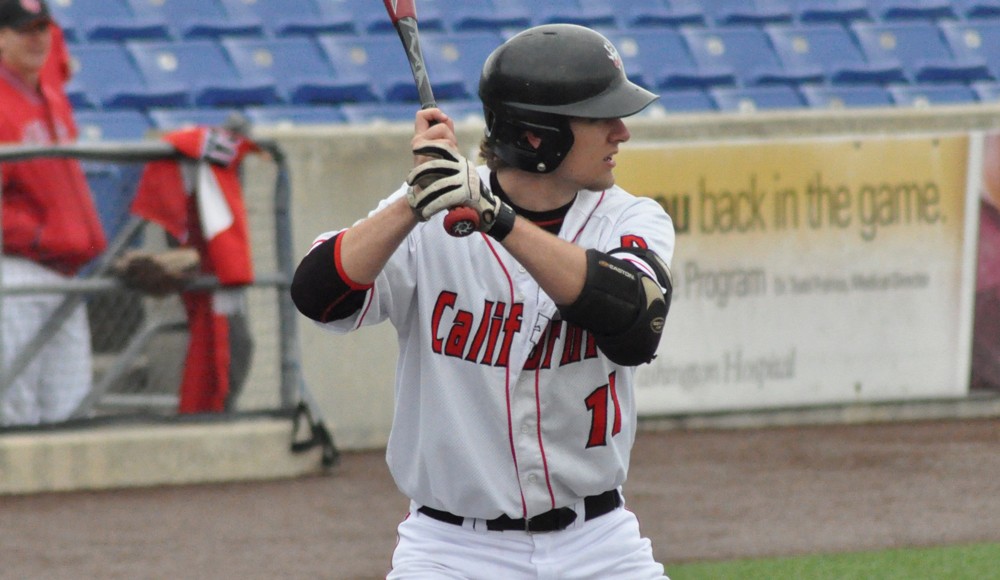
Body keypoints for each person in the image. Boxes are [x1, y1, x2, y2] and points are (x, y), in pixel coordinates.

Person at [292, 24, 675, 578]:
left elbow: (635, 321)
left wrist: (498, 220)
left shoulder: (630, 218)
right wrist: (411, 200)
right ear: (541, 137)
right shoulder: (429, 210)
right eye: (600, 117)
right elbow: (317, 295)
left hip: (599, 543)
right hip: (451, 550)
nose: (622, 132)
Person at [0, 0, 106, 426]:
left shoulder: (49, 93)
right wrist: (39, 236)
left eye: (43, 28)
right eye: (25, 30)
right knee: (14, 410)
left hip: (64, 274)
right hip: (15, 271)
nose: (38, 38)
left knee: (71, 412)